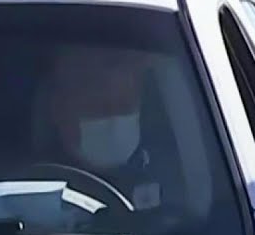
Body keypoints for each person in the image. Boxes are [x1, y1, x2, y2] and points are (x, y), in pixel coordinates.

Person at [41, 46, 171, 214]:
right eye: (98, 109)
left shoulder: (172, 182)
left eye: (125, 107)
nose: (113, 121)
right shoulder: (32, 191)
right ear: (59, 110)